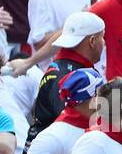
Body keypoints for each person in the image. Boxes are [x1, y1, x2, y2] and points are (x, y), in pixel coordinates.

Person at [27, 12, 105, 144]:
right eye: (102, 37)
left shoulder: (71, 69)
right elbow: (71, 122)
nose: (104, 43)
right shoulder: (67, 77)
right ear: (92, 41)